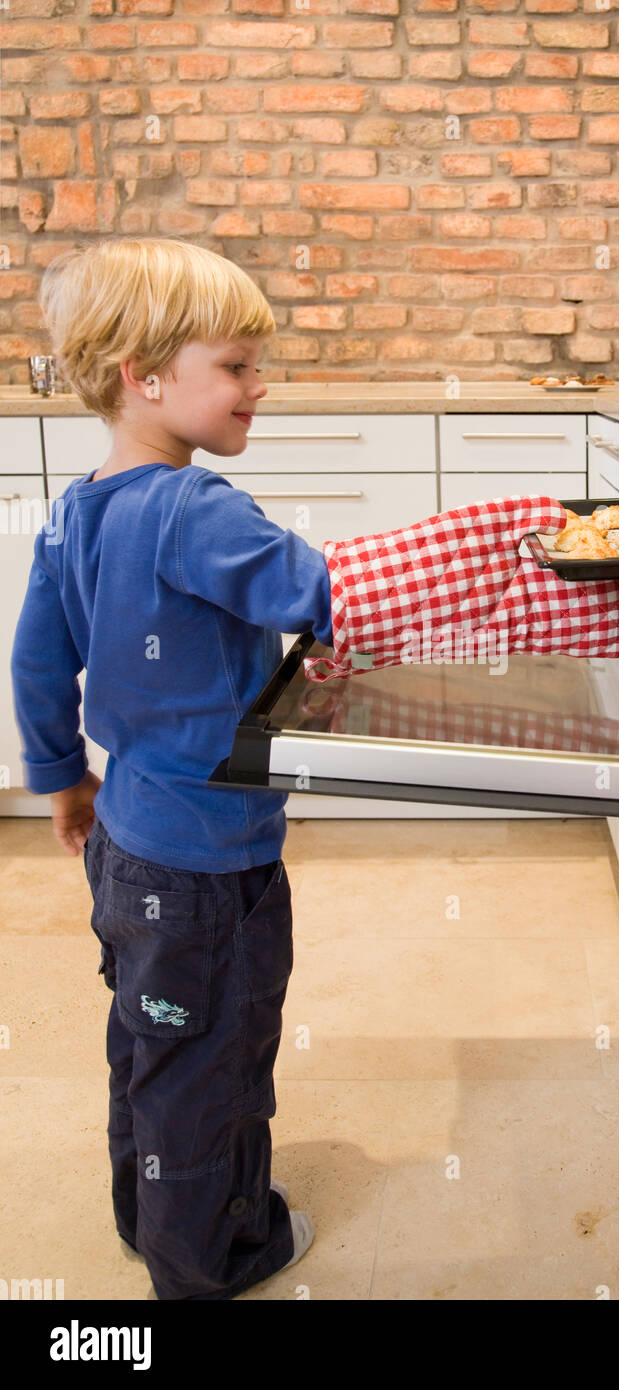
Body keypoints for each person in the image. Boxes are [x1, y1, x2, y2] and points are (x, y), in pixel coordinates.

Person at [10, 237, 333, 1300]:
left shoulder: (80, 507)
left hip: (127, 844)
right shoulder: (195, 509)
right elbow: (318, 590)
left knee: (149, 1040)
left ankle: (144, 1214)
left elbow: (38, 658)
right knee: (217, 1060)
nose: (257, 384)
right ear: (143, 377)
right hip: (209, 866)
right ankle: (212, 1259)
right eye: (235, 365)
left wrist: (64, 779)